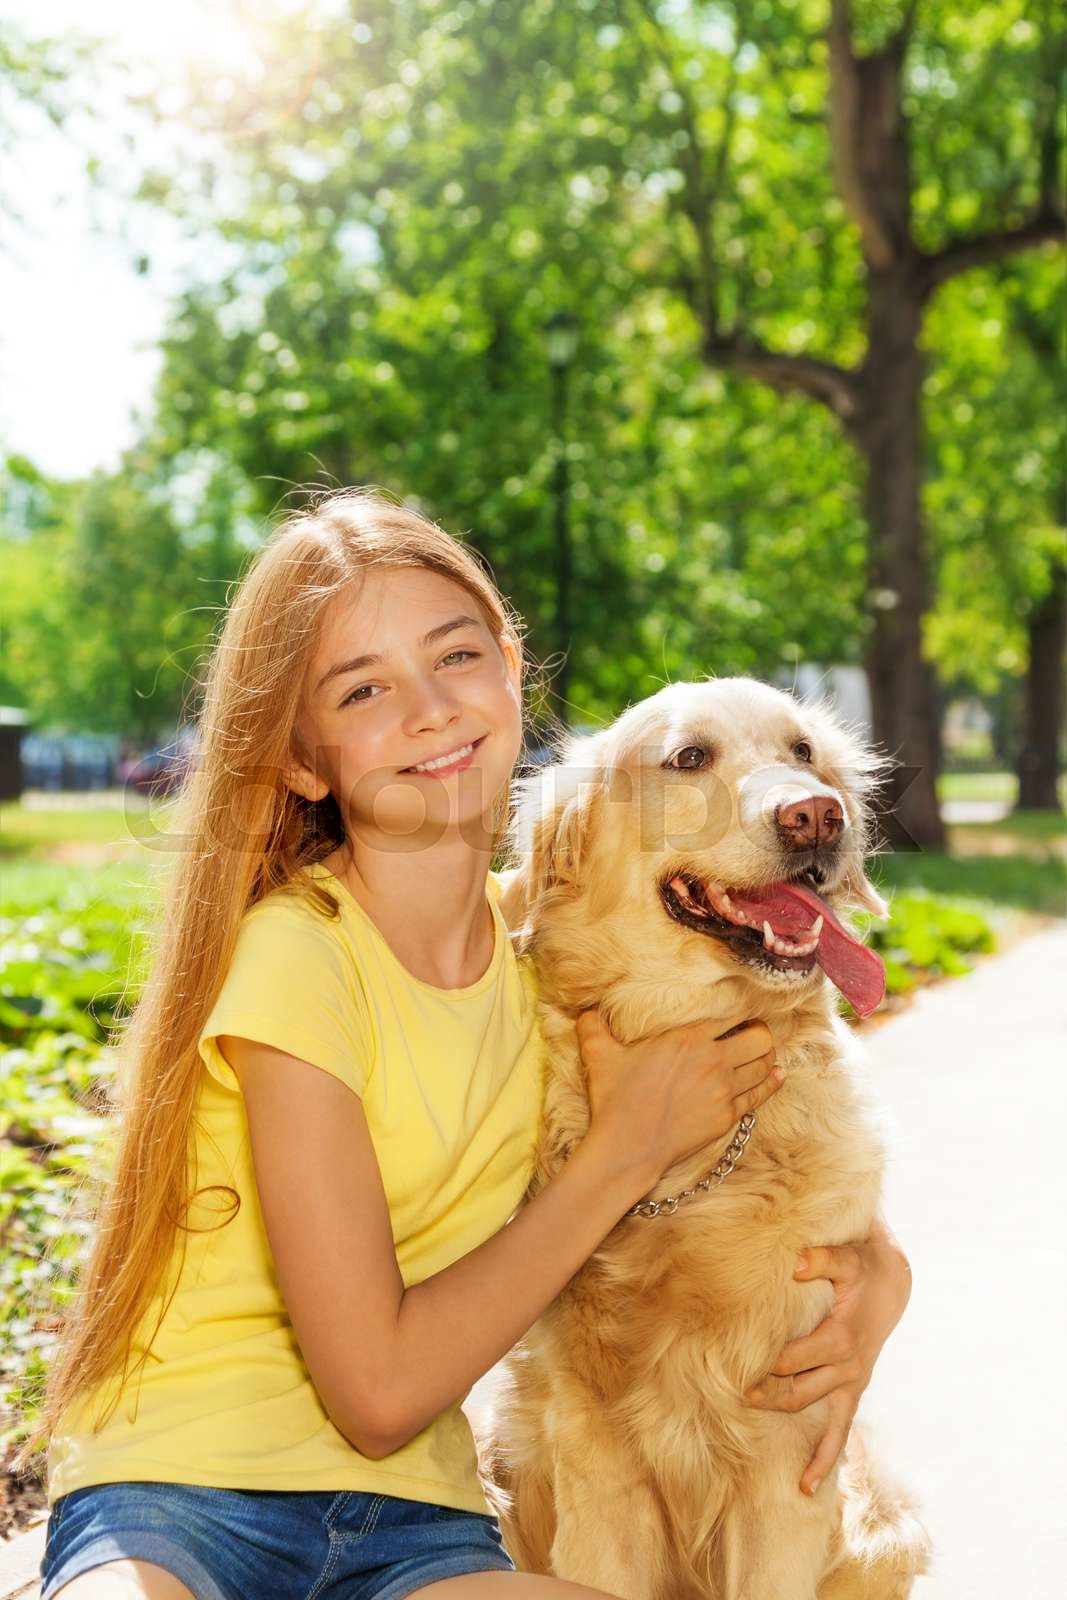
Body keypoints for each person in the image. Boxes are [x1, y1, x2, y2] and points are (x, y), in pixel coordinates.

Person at [21, 489, 911, 1600]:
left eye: (454, 657)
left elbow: (777, 1198)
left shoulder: (550, 963)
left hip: (414, 1526)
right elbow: (378, 1390)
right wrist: (623, 1152)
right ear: (303, 761)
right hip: (183, 1500)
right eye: (363, 689)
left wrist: (879, 1281)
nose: (430, 708)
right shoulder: (300, 957)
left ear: (508, 668)